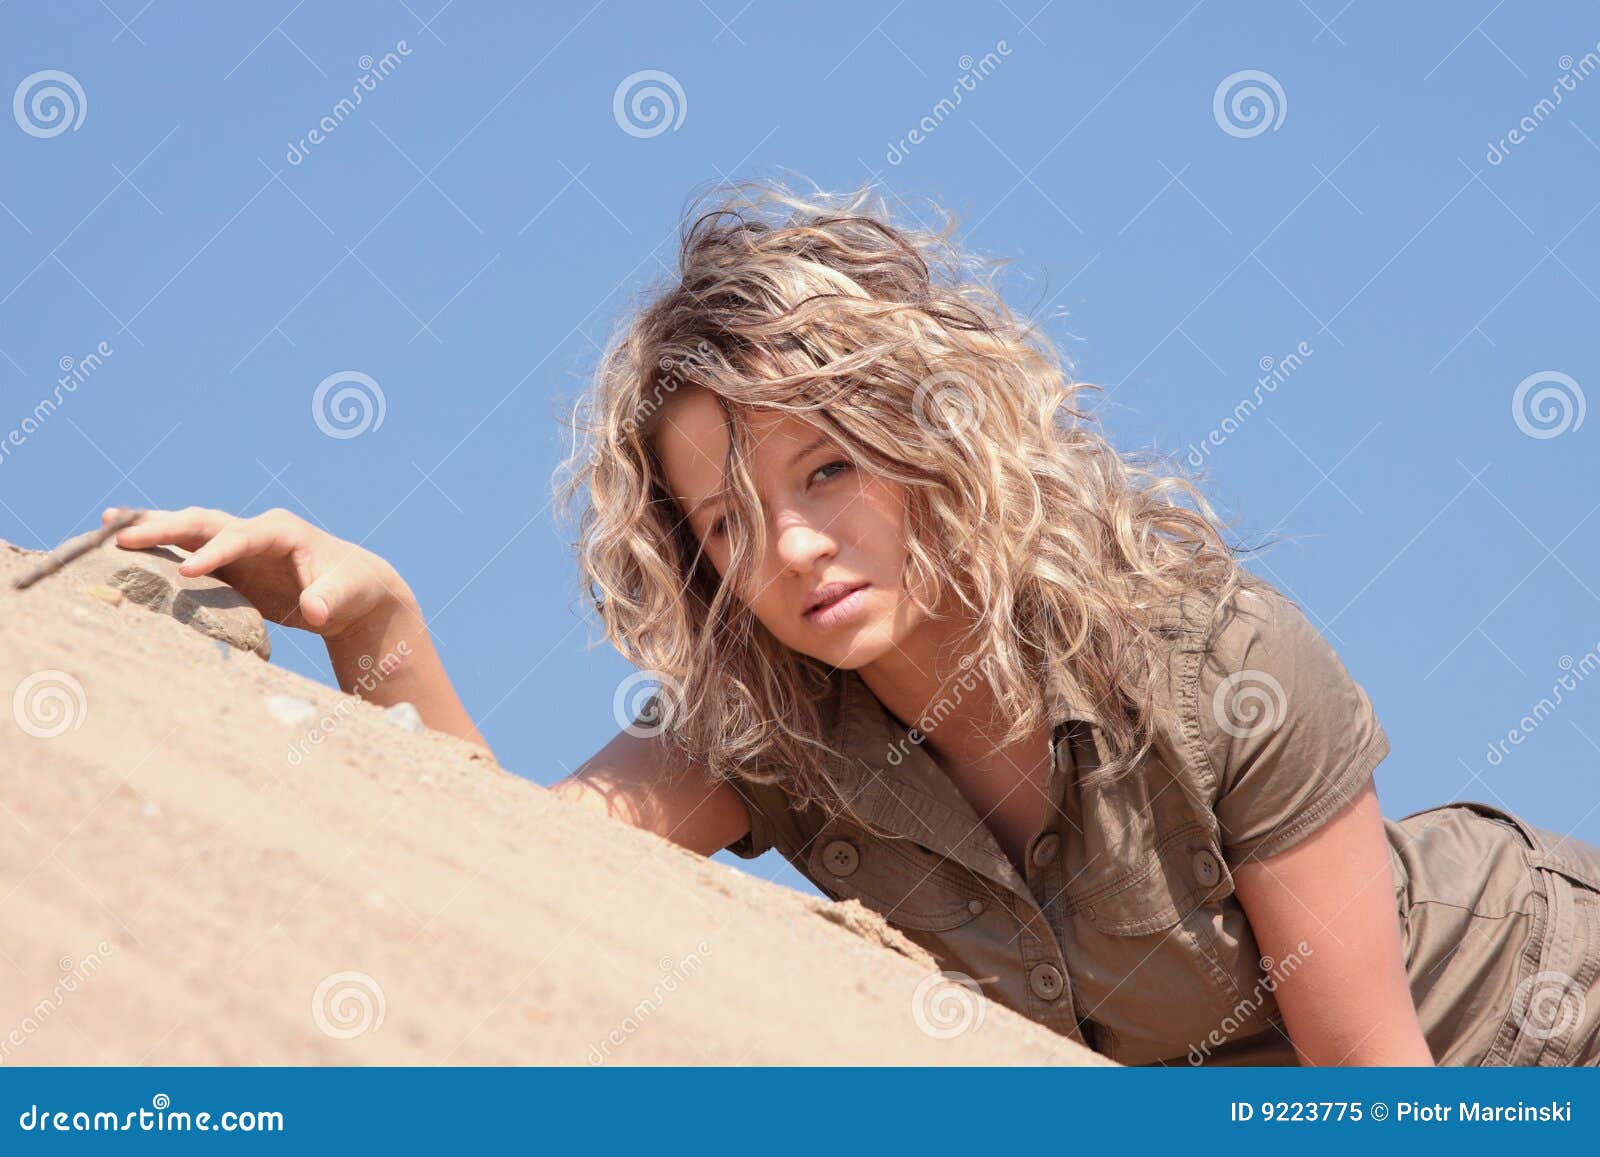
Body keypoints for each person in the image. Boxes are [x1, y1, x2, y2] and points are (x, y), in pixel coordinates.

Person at [104, 180, 1600, 1067]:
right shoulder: (766, 732)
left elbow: (1374, 1088)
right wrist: (376, 623)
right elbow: (513, 868)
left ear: (931, 440)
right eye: (728, 521)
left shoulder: (1220, 663)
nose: (796, 548)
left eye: (828, 469)